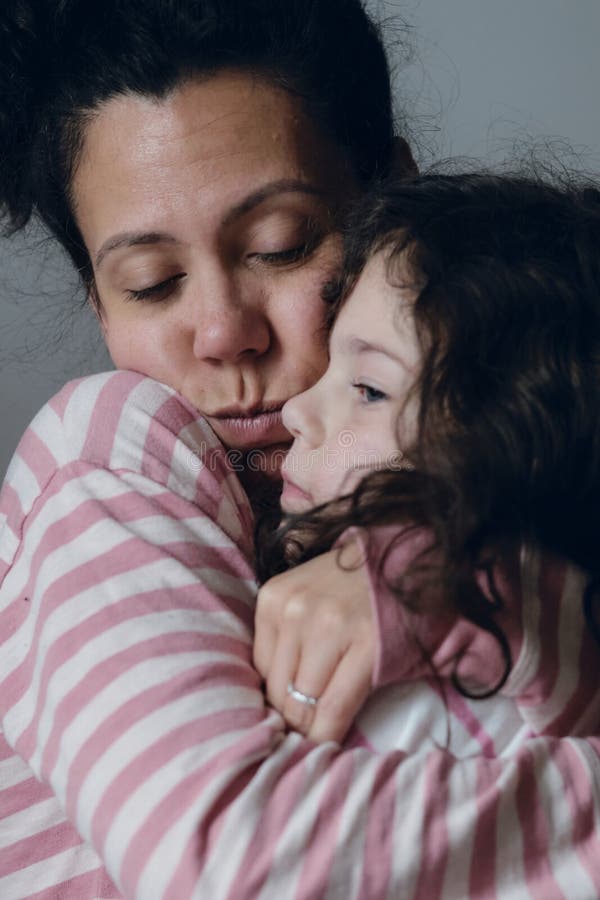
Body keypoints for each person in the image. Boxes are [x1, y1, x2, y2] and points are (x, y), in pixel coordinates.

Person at [0, 0, 598, 896]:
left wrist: (437, 569)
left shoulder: (488, 493)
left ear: (394, 209)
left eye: (282, 248)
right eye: (151, 285)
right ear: (100, 304)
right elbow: (224, 859)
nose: (223, 333)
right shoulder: (110, 448)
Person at [253, 172, 600, 759]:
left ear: (515, 449)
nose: (296, 411)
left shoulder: (435, 704)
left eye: (368, 389)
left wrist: (417, 574)